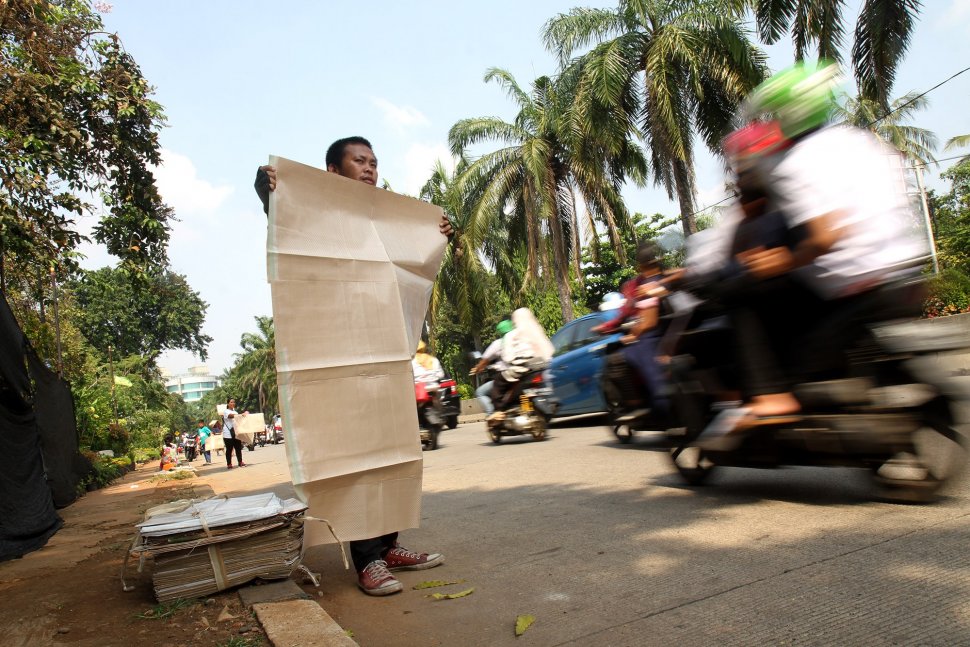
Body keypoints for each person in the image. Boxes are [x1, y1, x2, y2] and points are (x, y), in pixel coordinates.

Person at [254, 136, 446, 597]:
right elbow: (286, 215)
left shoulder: (382, 220)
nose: (370, 169)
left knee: (392, 445)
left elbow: (415, 262)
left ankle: (390, 543)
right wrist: (269, 189)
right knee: (354, 453)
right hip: (333, 358)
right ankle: (368, 561)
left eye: (374, 162)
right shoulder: (320, 214)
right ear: (333, 172)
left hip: (382, 352)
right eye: (359, 161)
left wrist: (435, 234)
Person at [592, 241, 670, 417]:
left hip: (650, 337)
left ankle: (636, 404)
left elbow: (647, 321)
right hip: (665, 332)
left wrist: (632, 335)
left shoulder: (645, 286)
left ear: (640, 266)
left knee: (615, 360)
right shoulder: (666, 278)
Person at [470, 318, 514, 415]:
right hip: (524, 374)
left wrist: (477, 369)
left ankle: (491, 415)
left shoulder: (499, 343)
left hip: (506, 377)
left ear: (500, 332)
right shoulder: (521, 340)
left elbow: (485, 360)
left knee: (480, 392)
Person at [222, 397, 246, 469]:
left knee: (238, 448)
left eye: (234, 402)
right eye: (231, 402)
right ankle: (229, 463)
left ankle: (240, 462)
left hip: (235, 432)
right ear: (228, 403)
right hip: (227, 433)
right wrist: (240, 415)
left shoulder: (236, 412)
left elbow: (238, 420)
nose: (233, 403)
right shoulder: (226, 411)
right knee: (229, 449)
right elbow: (230, 416)